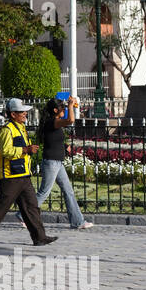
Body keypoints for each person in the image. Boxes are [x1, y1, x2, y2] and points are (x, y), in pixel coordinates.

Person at [0, 99, 58, 246]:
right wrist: (26, 150)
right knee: (1, 206)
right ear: (13, 114)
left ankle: (40, 237)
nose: (25, 113)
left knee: (31, 206)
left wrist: (27, 150)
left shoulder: (20, 127)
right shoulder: (7, 130)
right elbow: (6, 151)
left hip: (23, 175)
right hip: (11, 176)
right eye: (22, 112)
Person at [36, 95, 93, 230]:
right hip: (51, 162)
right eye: (61, 108)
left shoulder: (55, 122)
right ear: (55, 110)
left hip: (57, 162)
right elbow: (71, 120)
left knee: (68, 191)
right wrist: (70, 105)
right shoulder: (52, 122)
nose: (64, 110)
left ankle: (77, 221)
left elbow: (54, 139)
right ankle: (23, 214)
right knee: (44, 192)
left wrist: (65, 146)